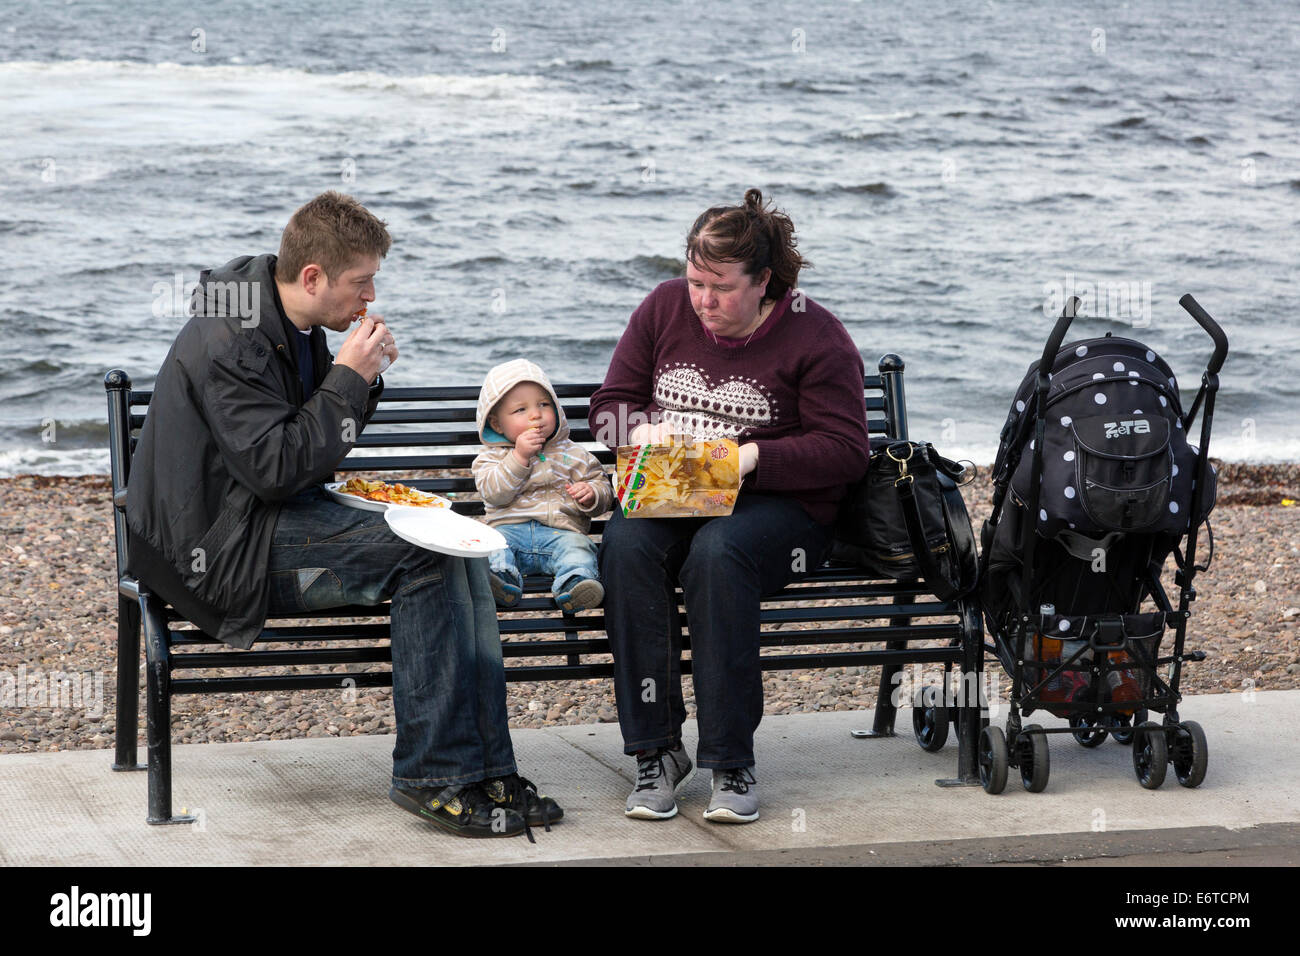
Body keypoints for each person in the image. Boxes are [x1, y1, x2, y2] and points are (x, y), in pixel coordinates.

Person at [125, 191, 560, 839]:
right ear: (312, 277)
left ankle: (487, 768)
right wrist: (350, 378)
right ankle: (433, 776)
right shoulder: (233, 339)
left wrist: (362, 379)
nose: (371, 297)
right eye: (361, 282)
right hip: (219, 554)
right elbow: (276, 468)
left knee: (457, 552)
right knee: (425, 556)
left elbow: (312, 446)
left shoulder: (287, 323)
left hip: (261, 518)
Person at [590, 188, 870, 823]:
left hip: (778, 508)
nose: (703, 302)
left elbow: (846, 451)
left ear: (764, 281)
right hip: (675, 490)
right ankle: (656, 751)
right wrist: (638, 432)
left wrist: (752, 459)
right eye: (694, 283)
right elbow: (610, 406)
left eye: (720, 289)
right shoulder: (664, 308)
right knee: (627, 546)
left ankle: (729, 759)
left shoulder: (814, 333)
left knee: (719, 553)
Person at [472, 359, 615, 611]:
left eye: (543, 404)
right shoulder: (491, 458)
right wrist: (519, 458)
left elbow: (602, 486)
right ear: (496, 424)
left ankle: (575, 585)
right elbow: (494, 494)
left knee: (579, 548)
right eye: (520, 410)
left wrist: (592, 494)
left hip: (561, 534)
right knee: (492, 546)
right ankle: (501, 581)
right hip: (509, 532)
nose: (536, 414)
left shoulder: (573, 454)